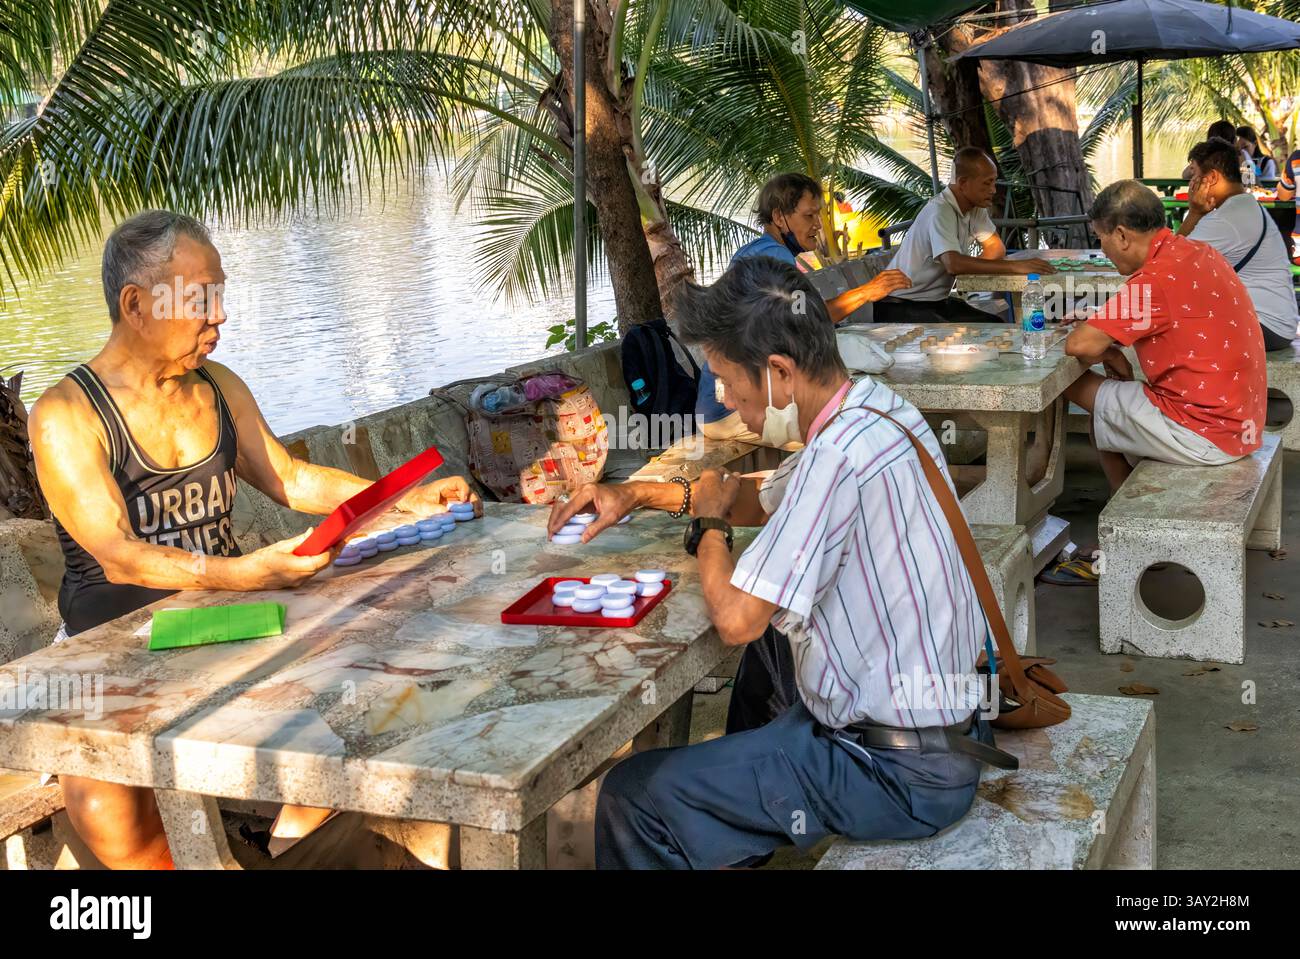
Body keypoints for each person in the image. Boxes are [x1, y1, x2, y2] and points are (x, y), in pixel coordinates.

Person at [28, 209, 481, 868]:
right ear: (136, 304)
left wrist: (403, 498)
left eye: (221, 294)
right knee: (113, 823)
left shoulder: (219, 386)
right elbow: (116, 551)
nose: (221, 316)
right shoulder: (66, 413)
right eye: (202, 298)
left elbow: (291, 478)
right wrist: (244, 572)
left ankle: (283, 847)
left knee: (380, 698)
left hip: (229, 623)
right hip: (116, 646)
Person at [550, 255, 1010, 870]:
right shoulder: (874, 410)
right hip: (948, 730)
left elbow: (737, 618)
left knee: (634, 796)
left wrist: (709, 529)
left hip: (900, 772)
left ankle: (720, 818)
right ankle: (735, 827)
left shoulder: (834, 458)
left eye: (727, 382)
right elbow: (764, 495)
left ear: (778, 372)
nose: (725, 399)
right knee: (771, 660)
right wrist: (634, 493)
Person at [1062, 180, 1266, 496]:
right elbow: (1171, 311)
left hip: (1207, 434)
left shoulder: (1154, 280)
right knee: (1110, 407)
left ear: (1120, 235)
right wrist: (1106, 327)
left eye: (1100, 238)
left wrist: (1111, 352)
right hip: (1242, 424)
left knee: (1074, 385)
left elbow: (1079, 345)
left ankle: (1124, 514)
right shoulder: (1199, 252)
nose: (1102, 248)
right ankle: (1126, 509)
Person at [694, 172, 912, 445]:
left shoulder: (758, 250)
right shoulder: (775, 257)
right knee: (847, 430)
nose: (818, 225)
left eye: (818, 216)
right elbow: (809, 318)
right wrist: (866, 292)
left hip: (718, 404)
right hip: (729, 410)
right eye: (809, 216)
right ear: (778, 217)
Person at [872, 147, 1054, 325]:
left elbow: (996, 248)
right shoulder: (940, 211)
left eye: (994, 182)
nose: (993, 190)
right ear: (963, 183)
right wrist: (1015, 267)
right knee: (985, 334)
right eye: (987, 183)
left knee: (995, 325)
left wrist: (971, 268)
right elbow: (953, 264)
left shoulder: (975, 207)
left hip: (935, 303)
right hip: (899, 306)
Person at [1179, 139, 1299, 350]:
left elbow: (1169, 262)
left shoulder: (1227, 218)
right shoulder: (1244, 206)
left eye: (1195, 175)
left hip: (1265, 326)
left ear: (1212, 177)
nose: (1191, 184)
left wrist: (1195, 212)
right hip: (1277, 324)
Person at [1181, 120, 1252, 178]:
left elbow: (1185, 175)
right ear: (1233, 141)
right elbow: (1251, 181)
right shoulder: (1240, 156)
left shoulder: (1205, 157)